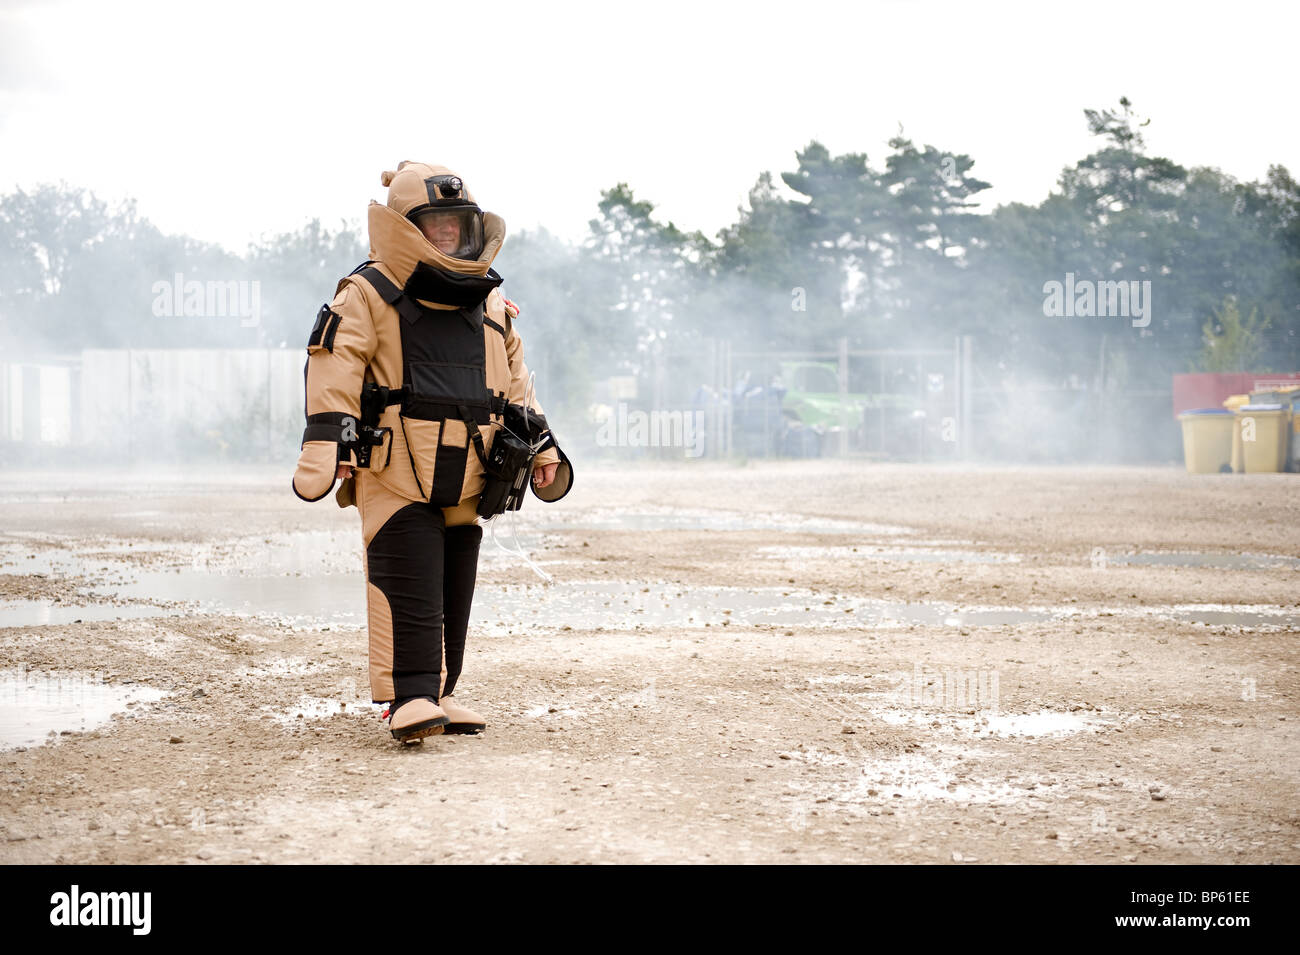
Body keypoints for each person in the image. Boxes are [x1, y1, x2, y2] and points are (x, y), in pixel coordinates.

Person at [291, 161, 573, 744]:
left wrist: (542, 445)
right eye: (435, 225)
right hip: (395, 465)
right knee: (408, 572)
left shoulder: (491, 306)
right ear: (406, 226)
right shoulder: (367, 293)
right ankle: (408, 697)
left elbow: (516, 381)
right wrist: (330, 441)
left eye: (456, 225)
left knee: (454, 580)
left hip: (471, 469)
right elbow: (333, 362)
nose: (448, 236)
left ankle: (439, 694)